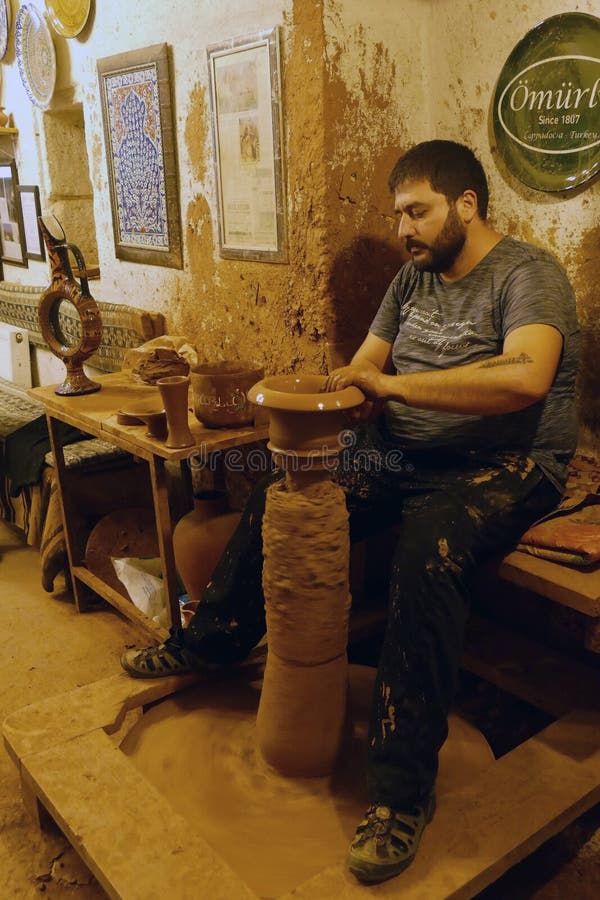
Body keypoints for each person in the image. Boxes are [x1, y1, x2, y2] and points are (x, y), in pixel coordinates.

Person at [121, 141, 579, 884]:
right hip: (407, 455)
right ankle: (215, 641)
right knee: (285, 494)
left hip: (506, 466)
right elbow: (367, 366)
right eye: (398, 214)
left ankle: (401, 793)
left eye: (418, 211)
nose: (405, 228)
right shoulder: (412, 279)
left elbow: (525, 378)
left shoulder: (528, 275)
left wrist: (393, 392)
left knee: (425, 553)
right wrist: (342, 392)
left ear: (467, 205)